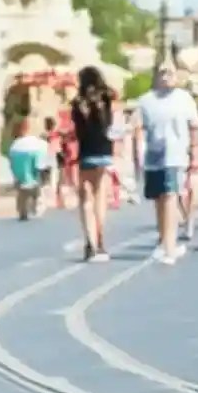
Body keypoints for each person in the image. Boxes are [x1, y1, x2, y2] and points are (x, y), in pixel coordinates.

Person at [136, 62, 198, 265]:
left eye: (170, 72)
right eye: (162, 72)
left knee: (171, 197)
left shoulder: (184, 99)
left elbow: (194, 127)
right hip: (153, 156)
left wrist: (196, 152)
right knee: (159, 199)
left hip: (176, 155)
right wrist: (138, 156)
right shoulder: (145, 101)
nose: (166, 76)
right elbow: (139, 129)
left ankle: (170, 247)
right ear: (155, 75)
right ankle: (163, 240)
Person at [71, 66, 117, 262]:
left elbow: (79, 131)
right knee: (100, 196)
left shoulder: (78, 102)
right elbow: (110, 124)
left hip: (87, 151)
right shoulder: (106, 98)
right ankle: (100, 240)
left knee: (85, 199)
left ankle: (89, 241)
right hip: (104, 150)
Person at [7, 118, 48, 221]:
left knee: (22, 189)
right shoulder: (37, 141)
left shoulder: (15, 144)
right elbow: (42, 157)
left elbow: (12, 161)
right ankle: (34, 205)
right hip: (34, 156)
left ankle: (23, 212)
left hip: (18, 158)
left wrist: (15, 175)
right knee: (35, 185)